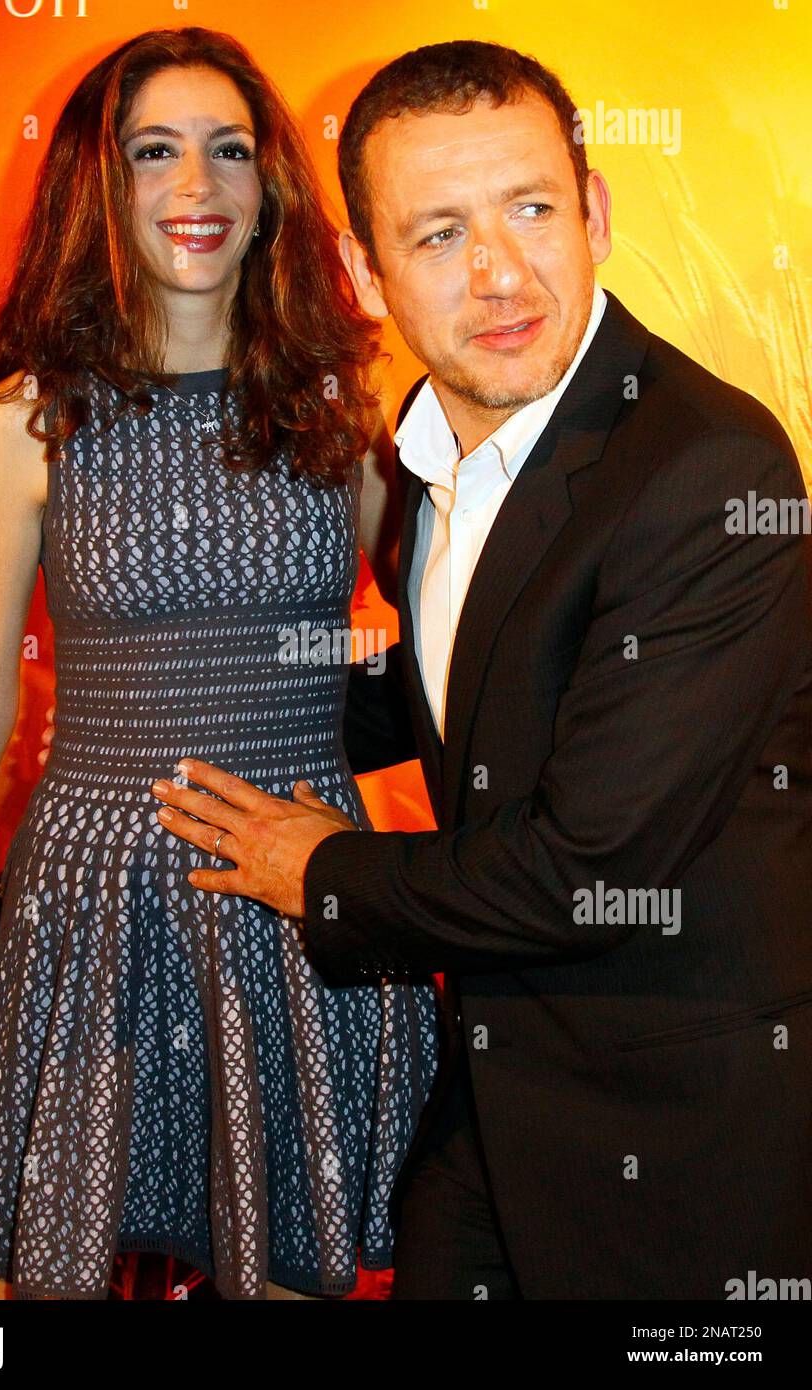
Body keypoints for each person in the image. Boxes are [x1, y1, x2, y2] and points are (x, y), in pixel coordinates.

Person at [151, 40, 812, 1299]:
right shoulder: (428, 457)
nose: (502, 273)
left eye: (530, 209)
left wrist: (319, 869)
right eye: (441, 233)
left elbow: (589, 870)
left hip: (682, 1141)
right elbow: (460, 683)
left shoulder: (709, 471)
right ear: (365, 268)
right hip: (493, 1102)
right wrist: (219, 719)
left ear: (595, 211)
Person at [0, 26, 438, 1302]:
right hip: (91, 897)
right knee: (32, 1278)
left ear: (272, 191)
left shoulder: (344, 407)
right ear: (100, 181)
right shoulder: (33, 413)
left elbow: (439, 651)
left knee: (289, 1265)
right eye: (154, 152)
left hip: (292, 887)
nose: (195, 188)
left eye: (228, 151)